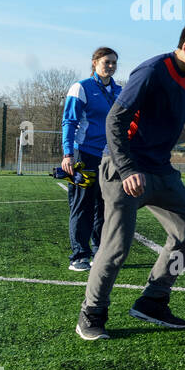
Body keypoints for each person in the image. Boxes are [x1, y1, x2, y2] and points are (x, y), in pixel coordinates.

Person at [75, 18, 185, 340]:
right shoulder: (152, 71)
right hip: (124, 168)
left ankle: (153, 299)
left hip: (160, 170)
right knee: (116, 247)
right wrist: (128, 169)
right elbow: (115, 120)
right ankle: (92, 312)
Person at [61, 47, 122, 271]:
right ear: (95, 62)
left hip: (109, 158)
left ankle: (99, 250)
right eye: (107, 62)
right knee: (82, 204)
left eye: (115, 62)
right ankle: (79, 255)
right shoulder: (81, 87)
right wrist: (67, 154)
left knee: (105, 205)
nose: (111, 66)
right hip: (82, 155)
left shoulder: (119, 91)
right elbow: (69, 122)